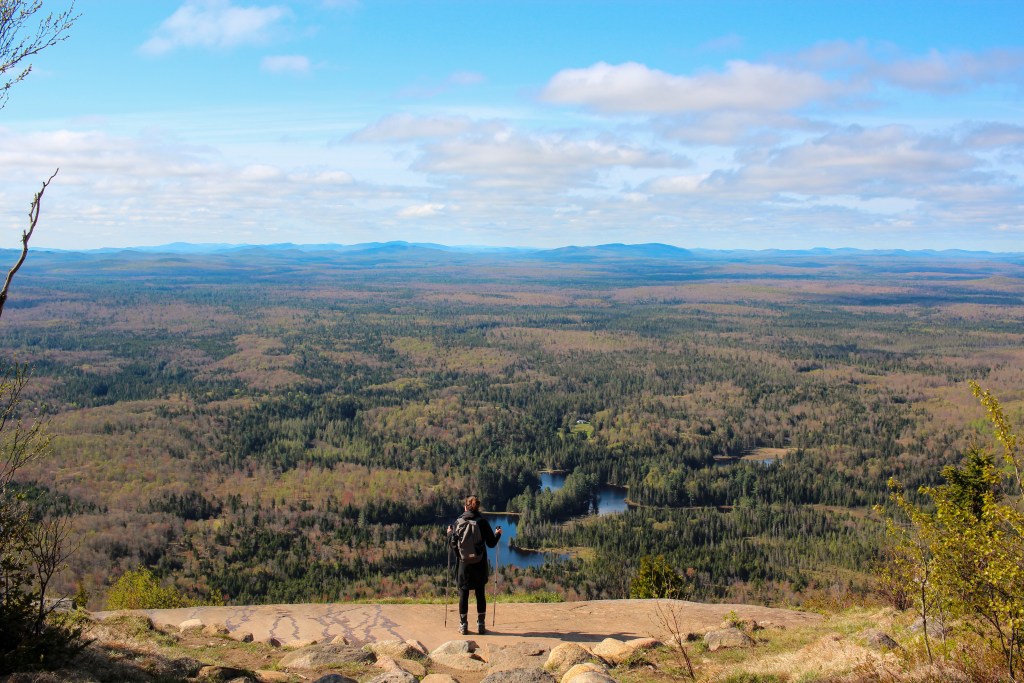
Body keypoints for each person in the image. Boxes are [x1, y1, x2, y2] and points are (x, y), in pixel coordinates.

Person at [447, 495, 502, 635]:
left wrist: (449, 534)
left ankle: (463, 625)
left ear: (465, 507)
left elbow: (453, 544)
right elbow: (491, 543)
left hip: (463, 565)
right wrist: (498, 534)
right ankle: (481, 625)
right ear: (478, 507)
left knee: (463, 594)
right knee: (480, 594)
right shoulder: (482, 522)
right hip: (479, 564)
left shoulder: (459, 521)